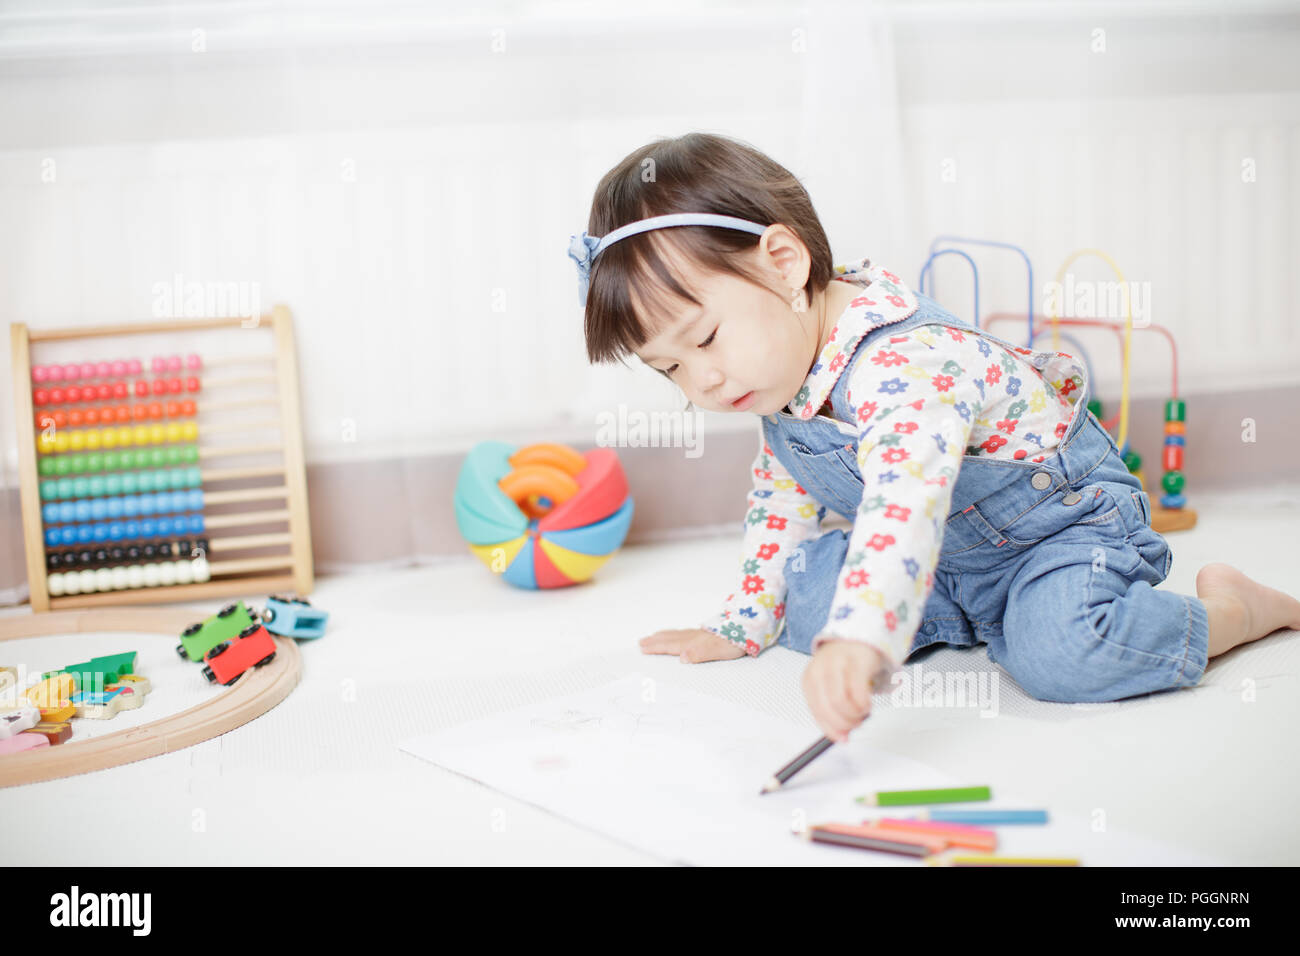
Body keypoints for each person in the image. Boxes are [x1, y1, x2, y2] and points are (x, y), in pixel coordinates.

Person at [568, 131, 1300, 744]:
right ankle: (969, 612)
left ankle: (1233, 609)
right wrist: (747, 619)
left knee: (1067, 656)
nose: (703, 381)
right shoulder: (780, 371)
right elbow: (781, 499)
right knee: (800, 599)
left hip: (1056, 531)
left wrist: (864, 636)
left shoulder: (900, 362)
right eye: (671, 369)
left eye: (706, 338)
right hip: (949, 558)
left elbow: (902, 506)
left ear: (784, 264)